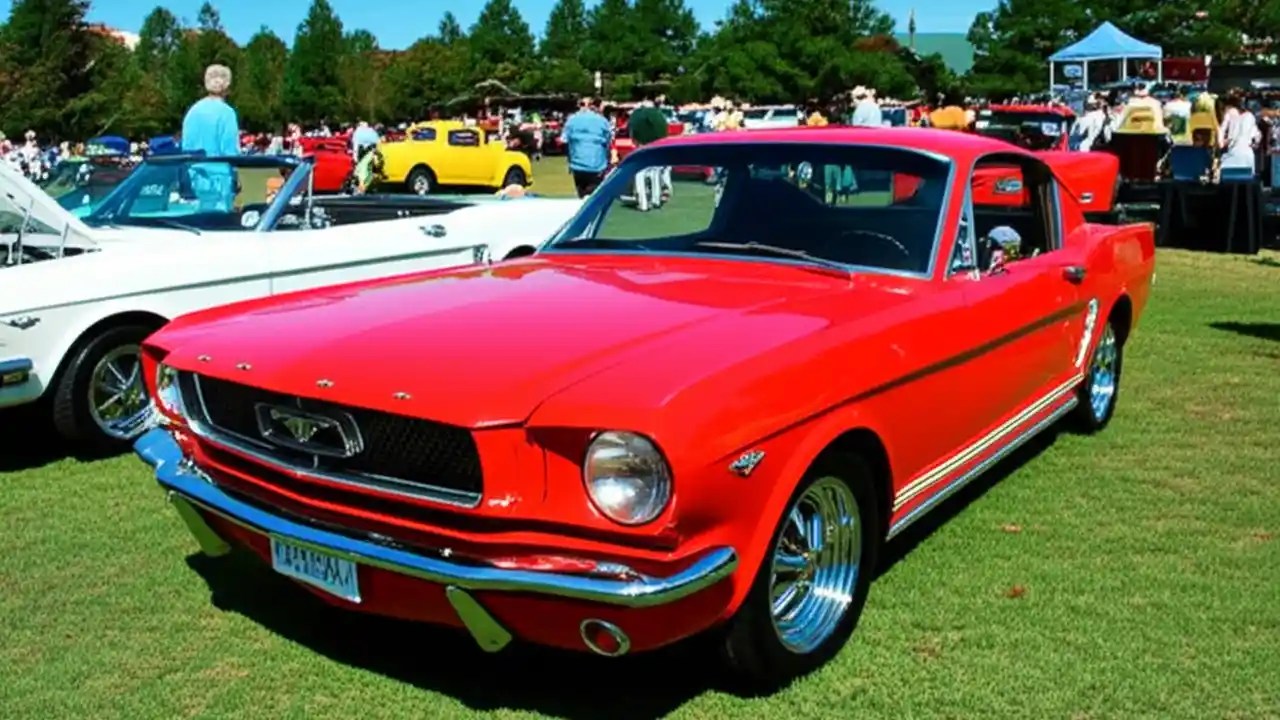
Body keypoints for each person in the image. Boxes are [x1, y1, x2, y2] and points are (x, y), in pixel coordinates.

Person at [181, 64, 240, 157]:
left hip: (191, 169)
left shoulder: (192, 111)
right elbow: (230, 151)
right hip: (219, 170)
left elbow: (186, 146)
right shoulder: (227, 113)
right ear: (227, 86)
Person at [560, 96, 613, 198]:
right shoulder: (602, 121)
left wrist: (570, 159)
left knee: (582, 196)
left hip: (577, 166)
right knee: (594, 197)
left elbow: (564, 141)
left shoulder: (571, 120)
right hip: (597, 166)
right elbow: (609, 141)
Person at [627, 94, 670, 211]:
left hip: (643, 146)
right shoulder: (660, 115)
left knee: (640, 175)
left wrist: (636, 141)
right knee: (655, 174)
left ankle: (643, 203)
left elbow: (632, 130)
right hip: (658, 146)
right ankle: (656, 200)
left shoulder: (638, 115)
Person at [1220, 91, 1261, 175]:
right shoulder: (1250, 116)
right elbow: (1257, 138)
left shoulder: (1229, 113)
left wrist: (1226, 141)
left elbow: (1221, 139)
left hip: (1232, 157)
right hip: (1248, 158)